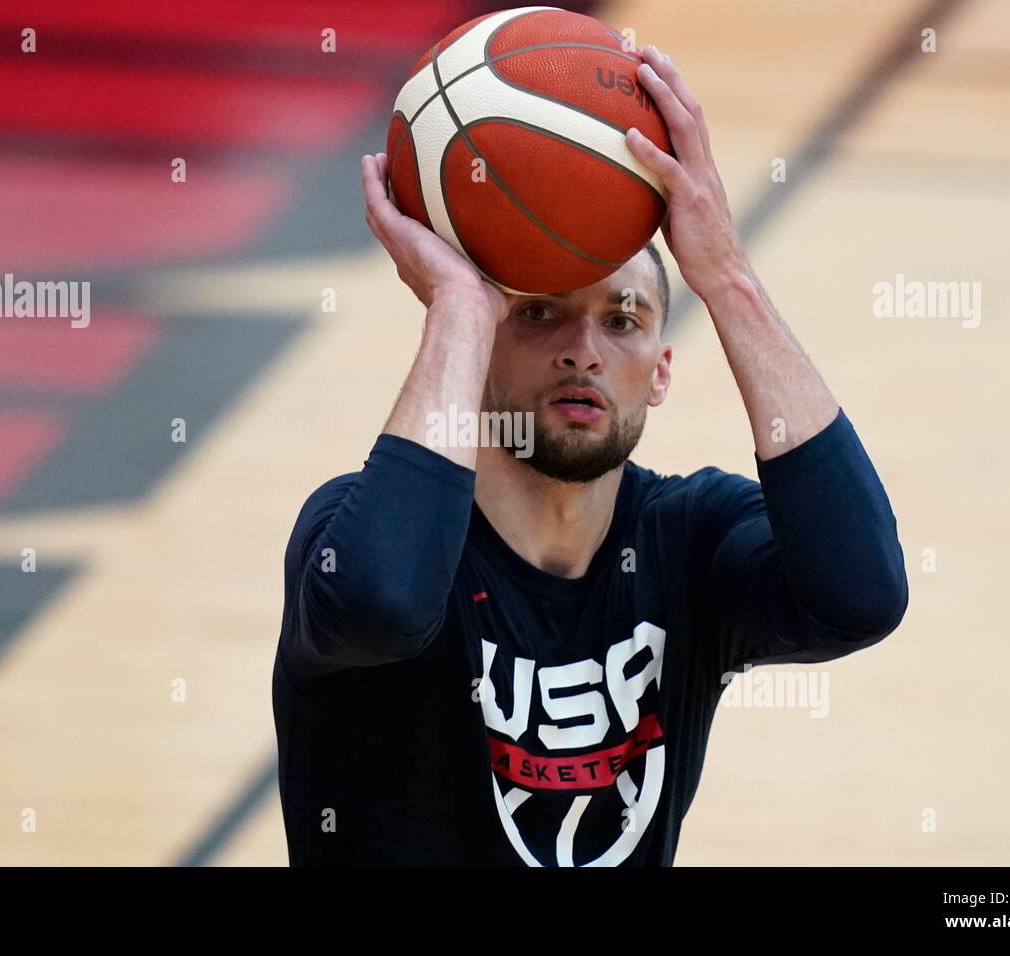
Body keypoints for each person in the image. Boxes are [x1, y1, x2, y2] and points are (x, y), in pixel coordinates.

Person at [272, 45, 907, 866]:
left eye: (623, 319)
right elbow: (383, 605)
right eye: (538, 316)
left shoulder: (691, 540)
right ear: (480, 351)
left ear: (661, 369)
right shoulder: (355, 532)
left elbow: (861, 595)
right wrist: (461, 308)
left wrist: (727, 276)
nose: (584, 351)